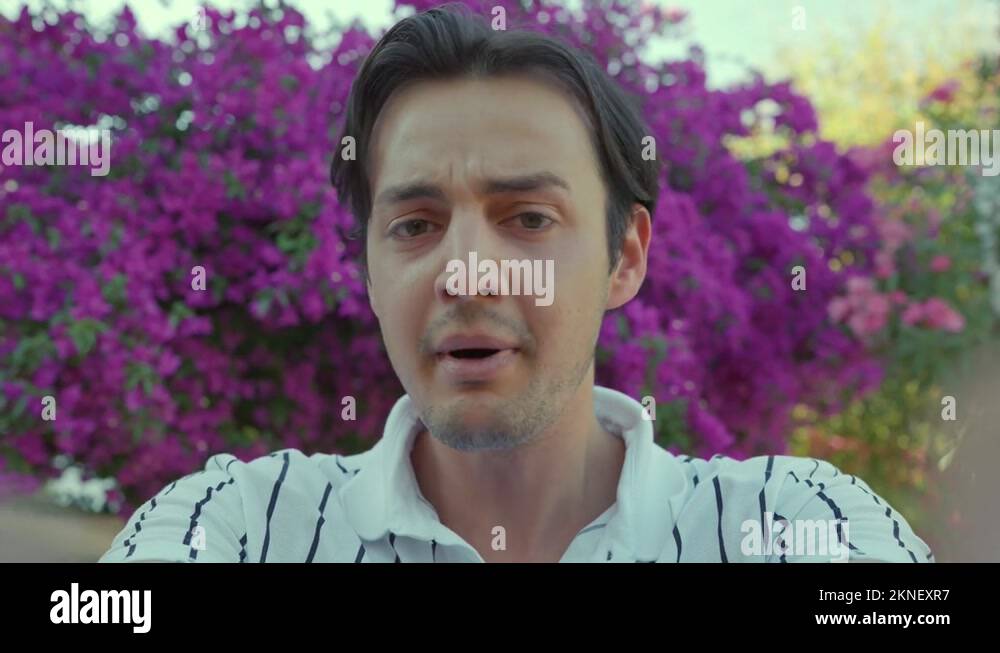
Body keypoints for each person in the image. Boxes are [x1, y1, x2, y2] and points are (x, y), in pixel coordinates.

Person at [100, 5, 932, 563]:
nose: (465, 270)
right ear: (369, 269)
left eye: (528, 217)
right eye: (415, 225)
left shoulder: (804, 529)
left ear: (626, 257)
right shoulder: (235, 527)